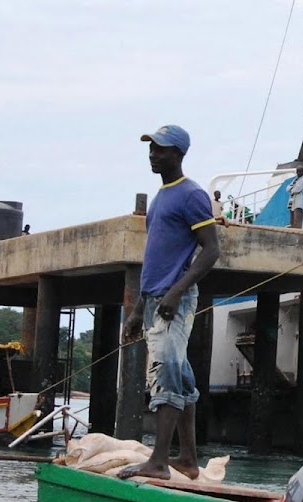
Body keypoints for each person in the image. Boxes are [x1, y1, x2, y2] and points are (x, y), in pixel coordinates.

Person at [117, 124, 220, 481]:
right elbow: (155, 258)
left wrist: (176, 292)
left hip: (172, 301)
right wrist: (136, 310)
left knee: (165, 376)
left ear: (178, 153)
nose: (152, 154)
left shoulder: (191, 195)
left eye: (159, 149)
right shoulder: (161, 197)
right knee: (181, 376)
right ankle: (187, 459)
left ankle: (158, 462)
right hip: (154, 300)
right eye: (150, 148)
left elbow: (212, 250)